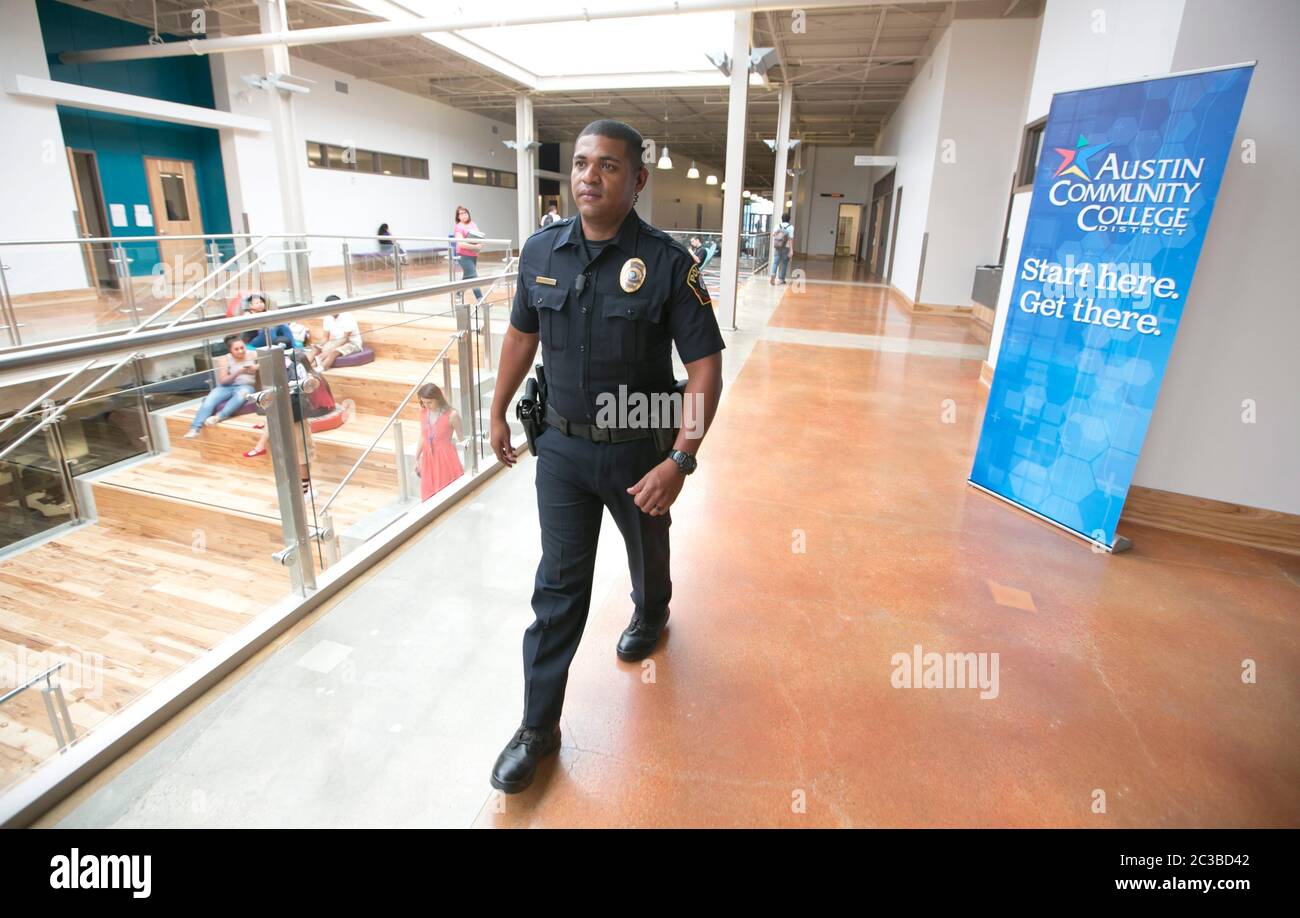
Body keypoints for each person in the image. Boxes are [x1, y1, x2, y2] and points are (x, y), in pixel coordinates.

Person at [486, 119, 725, 794]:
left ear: (638, 179)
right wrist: (497, 407)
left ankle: (652, 611)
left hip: (639, 448)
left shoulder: (671, 264)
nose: (590, 176)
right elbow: (518, 338)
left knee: (648, 551)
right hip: (559, 447)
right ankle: (539, 727)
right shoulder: (540, 252)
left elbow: (704, 368)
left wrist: (680, 460)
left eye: (609, 166)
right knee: (557, 590)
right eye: (582, 164)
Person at [185, 334, 257, 438]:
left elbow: (269, 359)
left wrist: (257, 367)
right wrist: (239, 372)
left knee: (240, 396)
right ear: (230, 350)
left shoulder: (253, 354)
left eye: (242, 347)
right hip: (226, 387)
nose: (241, 351)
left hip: (245, 386)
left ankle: (218, 417)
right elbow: (223, 381)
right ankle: (195, 428)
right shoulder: (224, 360)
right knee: (209, 400)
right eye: (236, 349)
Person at [413, 383, 463, 500]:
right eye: (423, 402)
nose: (426, 405)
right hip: (429, 458)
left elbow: (462, 438)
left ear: (438, 399)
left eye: (429, 402)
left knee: (446, 495)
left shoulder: (452, 415)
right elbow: (423, 435)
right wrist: (416, 458)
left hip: (445, 458)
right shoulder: (423, 412)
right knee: (429, 496)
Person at [314, 294, 363, 371]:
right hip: (337, 342)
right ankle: (306, 368)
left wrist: (329, 350)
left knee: (333, 352)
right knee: (316, 349)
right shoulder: (327, 317)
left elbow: (345, 339)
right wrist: (318, 345)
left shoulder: (348, 316)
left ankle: (319, 369)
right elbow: (325, 338)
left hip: (352, 343)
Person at [452, 205, 484, 303]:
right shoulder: (459, 227)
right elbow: (461, 243)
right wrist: (475, 247)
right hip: (463, 256)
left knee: (468, 277)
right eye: (461, 213)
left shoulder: (473, 224)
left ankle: (458, 293)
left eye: (465, 213)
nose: (464, 215)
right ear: (458, 216)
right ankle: (481, 301)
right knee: (474, 277)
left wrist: (480, 245)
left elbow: (480, 237)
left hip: (473, 255)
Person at [770, 213, 794, 285]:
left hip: (777, 246)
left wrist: (778, 231)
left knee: (775, 262)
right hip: (786, 247)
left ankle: (773, 275)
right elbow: (791, 239)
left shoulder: (778, 226)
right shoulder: (790, 227)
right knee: (784, 263)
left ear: (782, 219)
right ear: (789, 219)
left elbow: (773, 235)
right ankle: (781, 279)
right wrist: (791, 250)